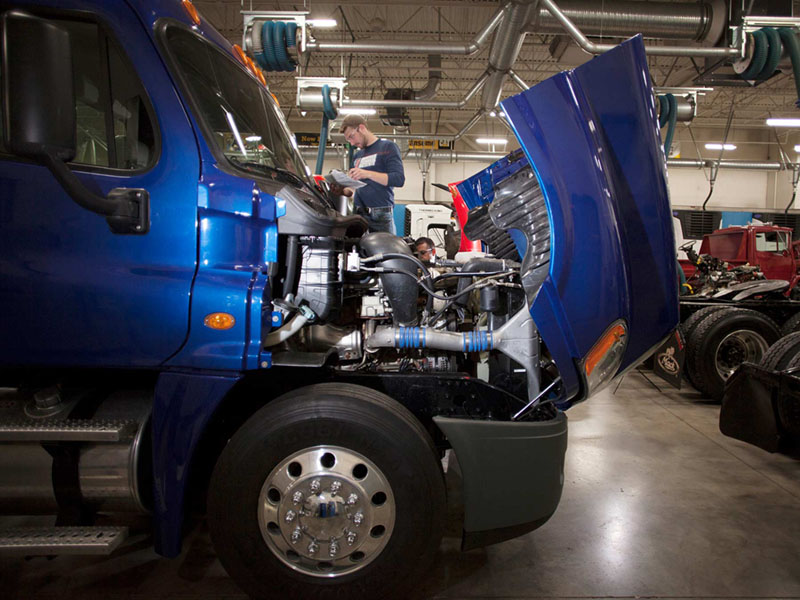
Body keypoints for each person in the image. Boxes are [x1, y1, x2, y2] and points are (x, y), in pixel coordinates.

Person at [340, 115, 405, 234]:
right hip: (359, 215)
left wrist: (367, 174)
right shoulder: (357, 156)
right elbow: (353, 188)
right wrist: (342, 190)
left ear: (362, 128)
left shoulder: (388, 147)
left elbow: (398, 179)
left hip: (380, 215)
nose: (352, 143)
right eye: (349, 140)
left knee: (384, 251)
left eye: (352, 137)